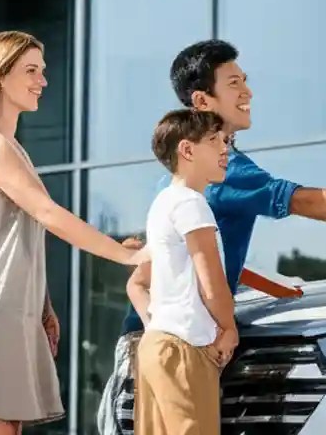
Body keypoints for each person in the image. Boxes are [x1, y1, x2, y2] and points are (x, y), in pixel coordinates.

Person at [97, 39, 326, 435]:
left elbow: (173, 267)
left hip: (147, 346)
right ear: (202, 101)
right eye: (234, 82)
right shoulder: (225, 175)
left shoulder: (174, 183)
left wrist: (273, 287)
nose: (247, 91)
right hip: (181, 348)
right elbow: (307, 202)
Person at [0, 31, 145, 435]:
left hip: (14, 308)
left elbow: (21, 237)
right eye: (31, 70)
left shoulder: (14, 148)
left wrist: (43, 305)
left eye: (43, 71)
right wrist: (125, 256)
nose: (42, 81)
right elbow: (48, 214)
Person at [127, 108, 237, 435]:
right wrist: (229, 329)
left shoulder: (162, 203)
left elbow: (136, 284)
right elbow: (211, 282)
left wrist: (157, 323)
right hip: (184, 349)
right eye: (214, 140)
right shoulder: (191, 204)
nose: (225, 148)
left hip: (156, 348)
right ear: (187, 150)